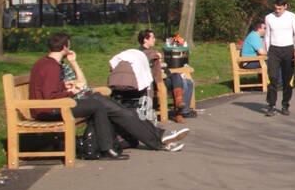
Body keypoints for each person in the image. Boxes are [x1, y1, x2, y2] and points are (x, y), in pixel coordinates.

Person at [28, 32, 187, 158]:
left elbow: (50, 89)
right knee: (103, 104)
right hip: (51, 110)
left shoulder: (46, 63)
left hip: (55, 106)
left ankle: (158, 137)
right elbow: (50, 96)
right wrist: (70, 92)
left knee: (109, 104)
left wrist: (64, 85)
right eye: (69, 46)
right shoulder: (51, 67)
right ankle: (155, 139)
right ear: (64, 47)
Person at [139, 29, 197, 120]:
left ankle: (182, 108)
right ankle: (179, 110)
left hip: (163, 77)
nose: (154, 39)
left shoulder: (151, 52)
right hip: (155, 82)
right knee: (179, 78)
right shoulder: (142, 53)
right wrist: (157, 57)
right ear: (145, 40)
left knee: (186, 80)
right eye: (152, 38)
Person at [263, 0, 295, 116]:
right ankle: (271, 105)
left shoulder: (292, 17)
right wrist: (268, 50)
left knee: (287, 80)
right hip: (274, 50)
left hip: (288, 49)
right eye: (276, 9)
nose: (277, 11)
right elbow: (268, 35)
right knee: (273, 78)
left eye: (280, 9)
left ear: (285, 6)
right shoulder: (269, 18)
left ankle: (285, 104)